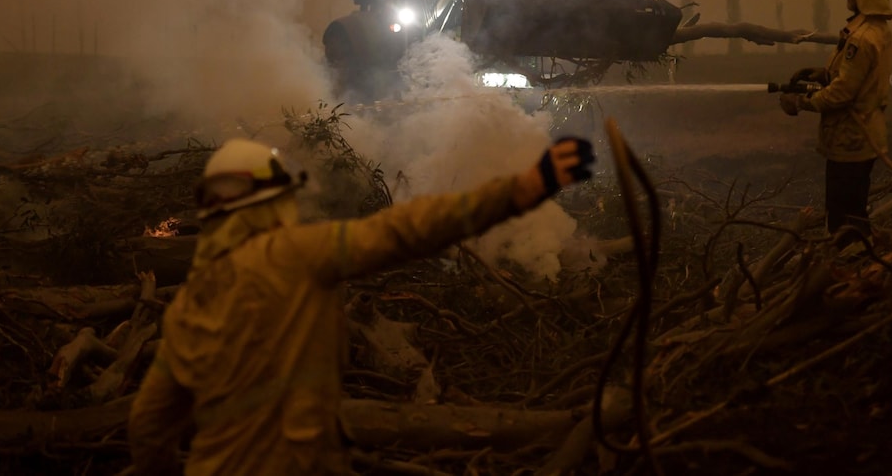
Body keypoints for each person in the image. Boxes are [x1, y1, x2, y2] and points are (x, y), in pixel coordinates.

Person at [128, 136, 595, 475]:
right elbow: (405, 229)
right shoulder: (298, 255)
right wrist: (521, 188)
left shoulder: (191, 300)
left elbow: (149, 423)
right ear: (273, 202)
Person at [779, 0, 892, 249]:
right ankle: (860, 264)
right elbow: (857, 77)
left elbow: (844, 92)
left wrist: (802, 101)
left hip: (851, 139)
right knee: (854, 213)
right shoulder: (877, 30)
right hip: (864, 136)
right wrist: (821, 73)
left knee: (843, 220)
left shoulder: (861, 38)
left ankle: (851, 270)